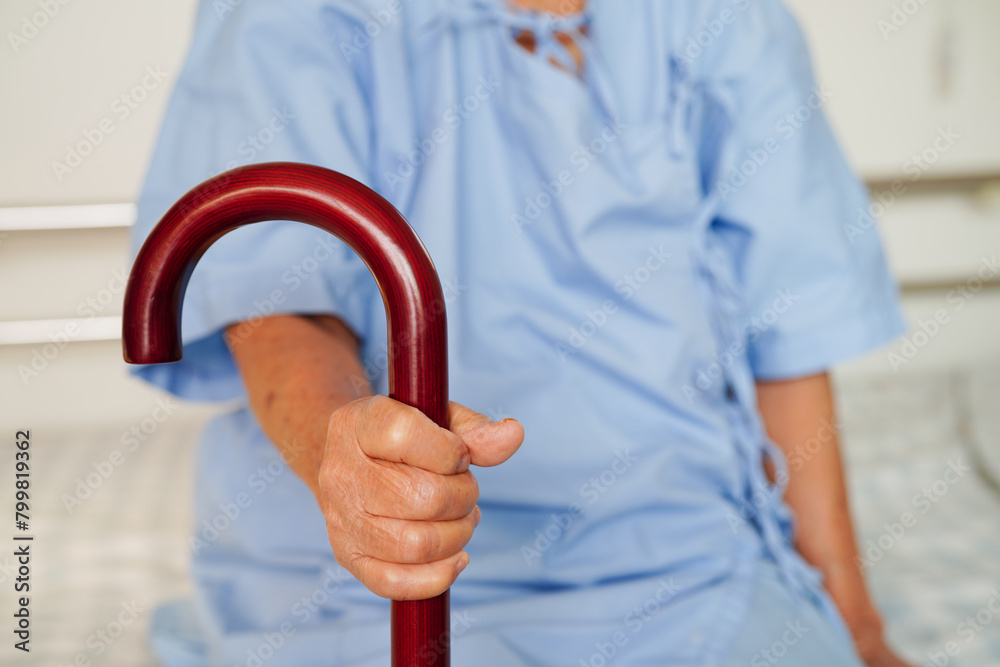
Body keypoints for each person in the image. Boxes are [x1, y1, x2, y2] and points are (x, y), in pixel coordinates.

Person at [130, 0, 915, 664]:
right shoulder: (296, 15)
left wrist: (856, 623)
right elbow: (274, 301)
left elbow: (786, 337)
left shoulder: (721, 19)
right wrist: (352, 462)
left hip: (679, 562)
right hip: (358, 584)